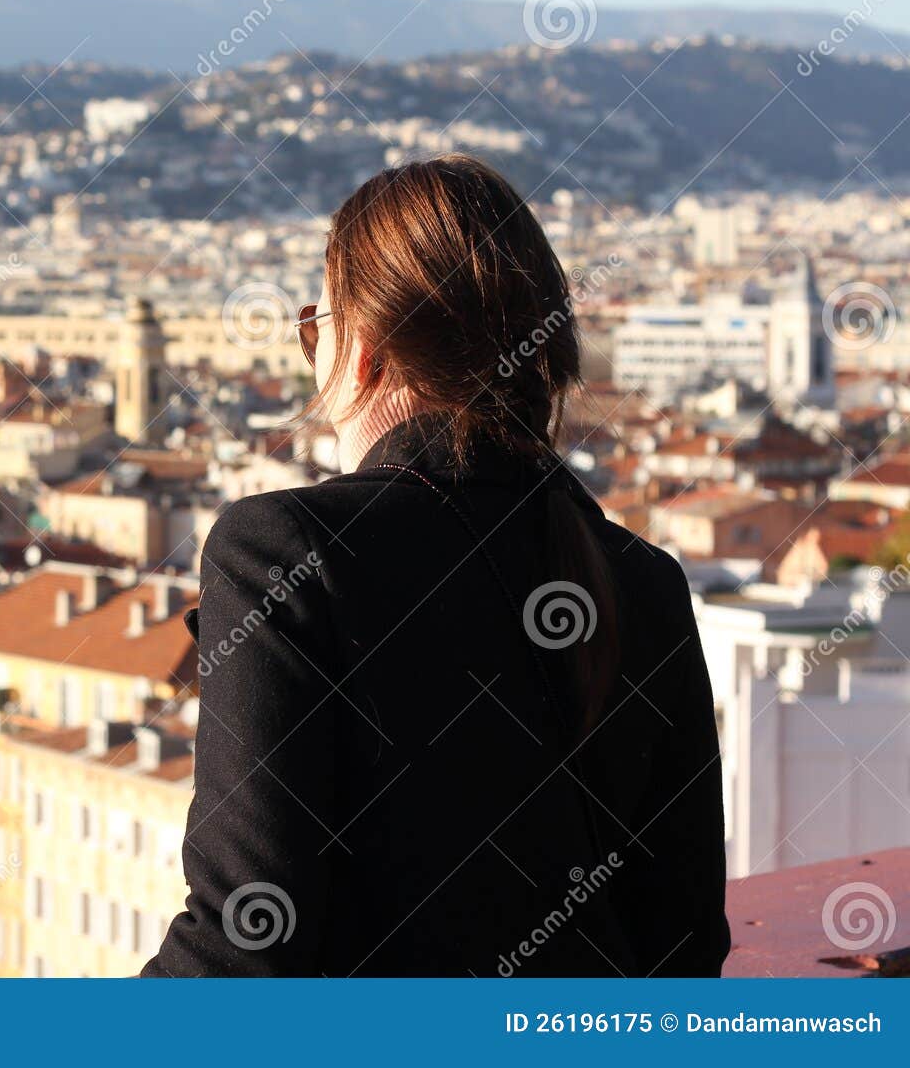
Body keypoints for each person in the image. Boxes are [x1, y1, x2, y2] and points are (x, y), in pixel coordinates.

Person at [143, 154, 729, 977]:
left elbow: (245, 940)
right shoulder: (645, 580)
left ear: (367, 349)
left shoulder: (283, 550)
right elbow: (686, 938)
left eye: (317, 328)